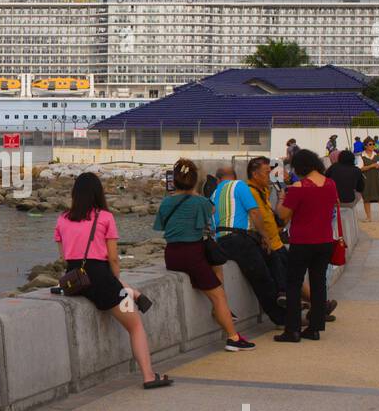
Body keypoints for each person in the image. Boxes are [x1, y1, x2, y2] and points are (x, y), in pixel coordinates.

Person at [55, 172, 170, 387]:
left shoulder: (62, 218)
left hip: (76, 280)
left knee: (120, 293)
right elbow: (114, 259)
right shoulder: (105, 217)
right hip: (101, 279)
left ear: (75, 194)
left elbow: (63, 257)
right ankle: (149, 376)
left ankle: (132, 292)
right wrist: (116, 281)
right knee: (135, 325)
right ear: (98, 193)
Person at [154, 159, 254, 351]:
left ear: (174, 181)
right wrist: (195, 193)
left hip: (172, 254)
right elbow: (212, 213)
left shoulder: (166, 203)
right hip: (193, 254)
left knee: (215, 268)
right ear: (195, 182)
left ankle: (221, 313)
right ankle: (233, 337)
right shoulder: (201, 202)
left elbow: (162, 226)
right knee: (218, 295)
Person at [246, 157, 334, 318]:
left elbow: (277, 216)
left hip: (278, 241)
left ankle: (318, 308)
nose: (270, 175)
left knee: (296, 279)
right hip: (270, 242)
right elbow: (276, 215)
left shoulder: (265, 190)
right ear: (255, 174)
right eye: (267, 172)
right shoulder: (249, 192)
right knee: (293, 282)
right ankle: (311, 312)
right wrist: (281, 198)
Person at [273, 149, 341, 342]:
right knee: (319, 284)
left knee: (293, 285)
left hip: (302, 242)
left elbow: (284, 216)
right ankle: (315, 328)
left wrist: (282, 198)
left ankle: (292, 330)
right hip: (325, 241)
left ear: (300, 167)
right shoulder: (330, 184)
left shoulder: (299, 186)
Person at [211, 166, 288, 327]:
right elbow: (254, 212)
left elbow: (211, 224)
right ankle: (282, 317)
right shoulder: (239, 185)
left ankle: (283, 293)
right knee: (262, 277)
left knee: (271, 258)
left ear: (218, 180)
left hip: (223, 241)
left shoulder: (213, 193)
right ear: (234, 176)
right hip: (239, 238)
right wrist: (265, 236)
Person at [358, 140, 379, 223]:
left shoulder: (378, 155)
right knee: (366, 199)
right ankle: (368, 217)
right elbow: (360, 168)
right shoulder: (361, 156)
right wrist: (372, 166)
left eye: (373, 144)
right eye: (370, 144)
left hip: (378, 180)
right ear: (365, 146)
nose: (372, 146)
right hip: (367, 180)